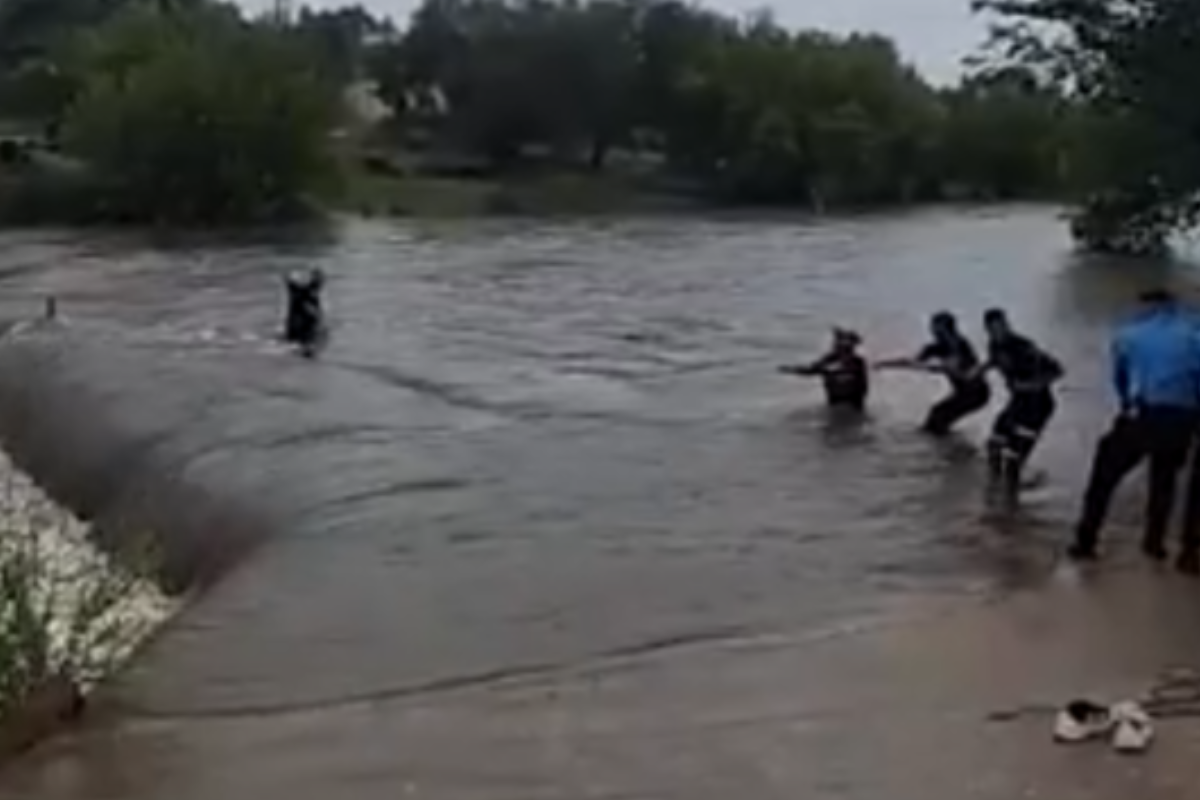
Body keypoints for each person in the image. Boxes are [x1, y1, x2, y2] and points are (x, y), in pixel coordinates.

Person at [1069, 289, 1200, 571]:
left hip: (1144, 413)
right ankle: (1156, 545)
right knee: (1164, 478)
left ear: (1148, 306)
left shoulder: (1129, 335)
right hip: (1183, 418)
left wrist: (1127, 405)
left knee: (1104, 477)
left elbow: (1122, 379)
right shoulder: (1194, 333)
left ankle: (1085, 542)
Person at [977, 308, 1064, 502]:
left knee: (1014, 456)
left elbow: (1057, 369)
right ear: (988, 329)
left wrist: (1032, 385)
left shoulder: (1024, 347)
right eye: (993, 329)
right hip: (1017, 404)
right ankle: (994, 487)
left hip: (1037, 407)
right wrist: (979, 370)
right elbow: (994, 360)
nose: (999, 332)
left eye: (1002, 326)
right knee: (995, 442)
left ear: (1007, 325)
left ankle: (1012, 502)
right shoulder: (994, 346)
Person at [876, 311, 991, 435]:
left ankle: (943, 446)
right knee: (936, 418)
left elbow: (952, 365)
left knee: (938, 415)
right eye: (934, 330)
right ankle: (947, 445)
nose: (936, 334)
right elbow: (912, 362)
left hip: (978, 394)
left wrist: (931, 367)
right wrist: (886, 364)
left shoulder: (960, 344)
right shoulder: (934, 348)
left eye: (940, 331)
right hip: (962, 393)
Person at [779, 328, 869, 411]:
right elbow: (811, 370)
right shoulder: (828, 360)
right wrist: (792, 370)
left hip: (854, 401)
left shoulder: (858, 362)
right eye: (839, 345)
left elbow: (864, 386)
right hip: (835, 400)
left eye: (848, 348)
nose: (841, 349)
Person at [283, 268, 326, 356]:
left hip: (302, 321)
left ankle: (293, 281)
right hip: (306, 321)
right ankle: (314, 280)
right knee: (301, 299)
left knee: (297, 300)